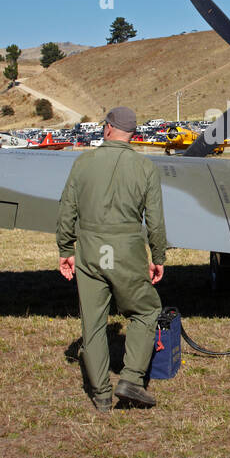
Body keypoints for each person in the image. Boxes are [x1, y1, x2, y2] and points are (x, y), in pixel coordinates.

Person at [56, 107, 167, 412]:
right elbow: (155, 221)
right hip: (127, 249)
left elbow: (67, 210)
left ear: (107, 129)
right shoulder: (144, 167)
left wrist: (66, 250)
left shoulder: (82, 163)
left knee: (92, 322)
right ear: (132, 134)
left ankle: (101, 394)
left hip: (90, 249)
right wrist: (158, 256)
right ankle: (131, 378)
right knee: (146, 310)